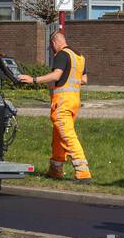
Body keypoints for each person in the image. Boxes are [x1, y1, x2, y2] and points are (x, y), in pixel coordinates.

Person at [19, 28, 91, 181]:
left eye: (51, 48)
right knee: (59, 136)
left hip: (62, 102)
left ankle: (83, 172)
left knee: (68, 136)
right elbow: (84, 80)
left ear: (54, 43)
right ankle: (55, 170)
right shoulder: (79, 56)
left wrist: (34, 79)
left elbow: (56, 75)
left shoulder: (62, 54)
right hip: (74, 101)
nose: (52, 51)